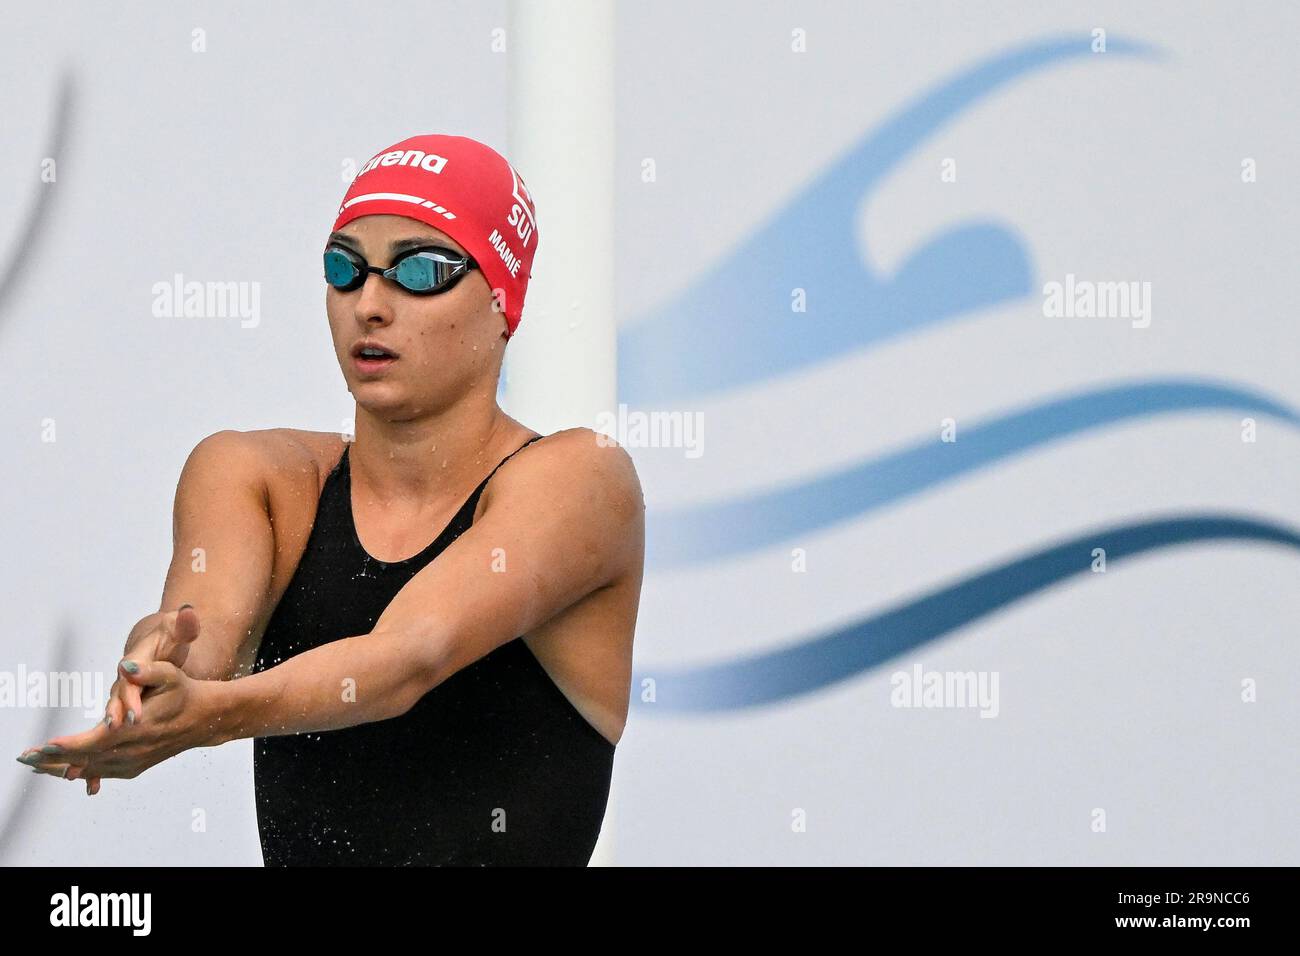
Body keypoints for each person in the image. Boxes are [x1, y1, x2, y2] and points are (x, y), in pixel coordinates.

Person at [16, 133, 645, 866]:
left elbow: (409, 654)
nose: (369, 304)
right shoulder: (256, 475)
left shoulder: (581, 481)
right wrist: (161, 674)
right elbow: (206, 632)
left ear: (504, 301)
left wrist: (210, 718)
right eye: (344, 268)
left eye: (419, 270)